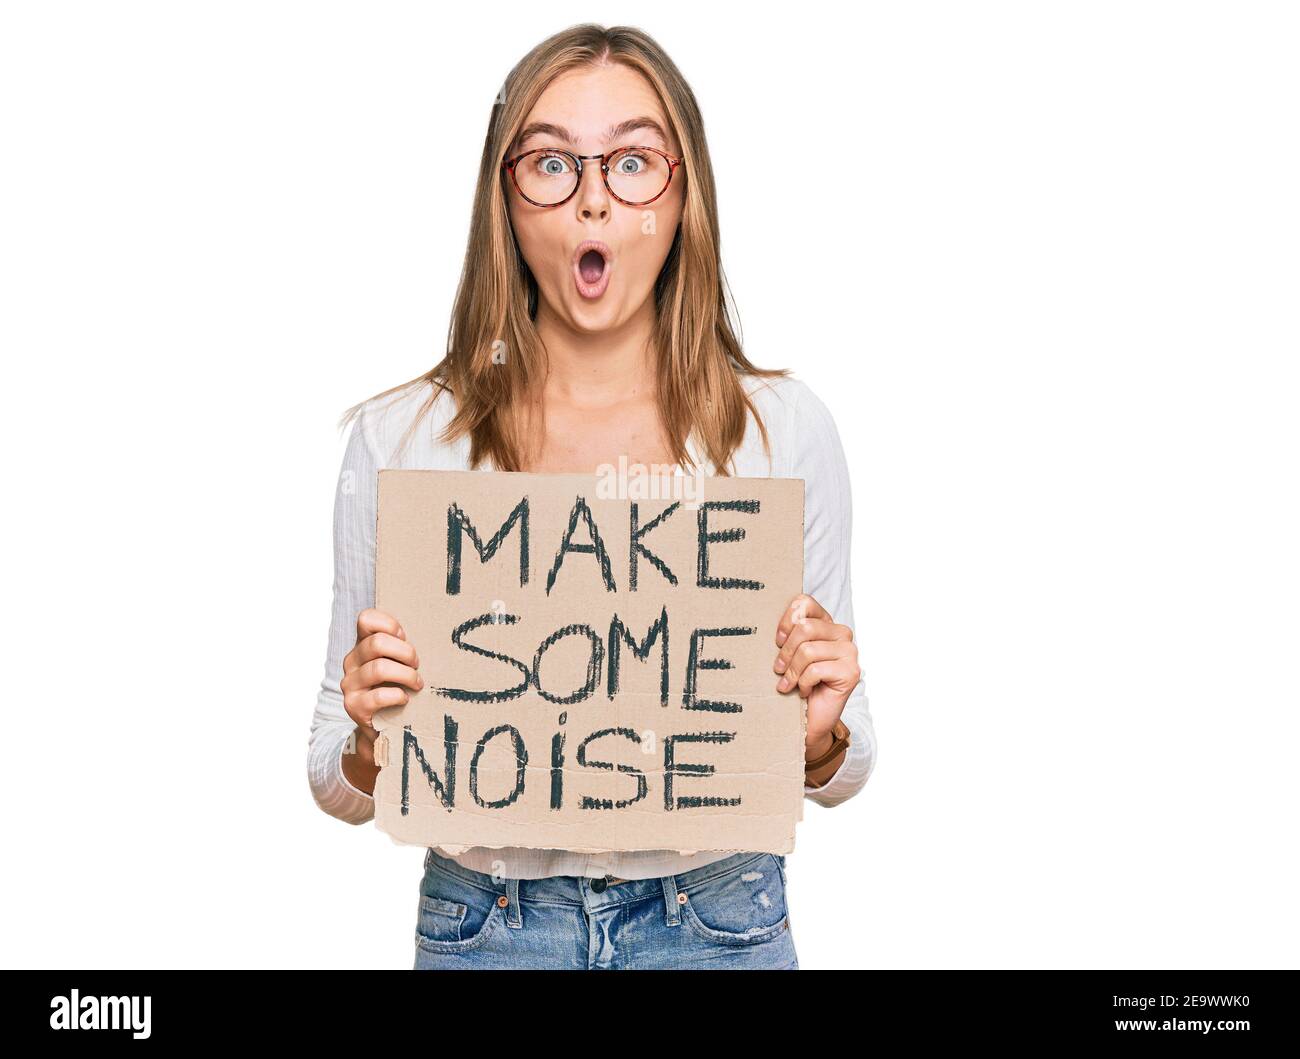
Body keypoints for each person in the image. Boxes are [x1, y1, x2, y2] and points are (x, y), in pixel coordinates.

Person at [307, 23, 877, 970]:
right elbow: (336, 771)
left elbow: (844, 770)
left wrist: (819, 733)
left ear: (684, 193)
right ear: (506, 198)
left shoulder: (779, 431)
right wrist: (373, 735)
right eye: (550, 164)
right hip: (485, 924)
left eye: (633, 160)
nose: (594, 199)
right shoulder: (403, 441)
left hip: (717, 918)